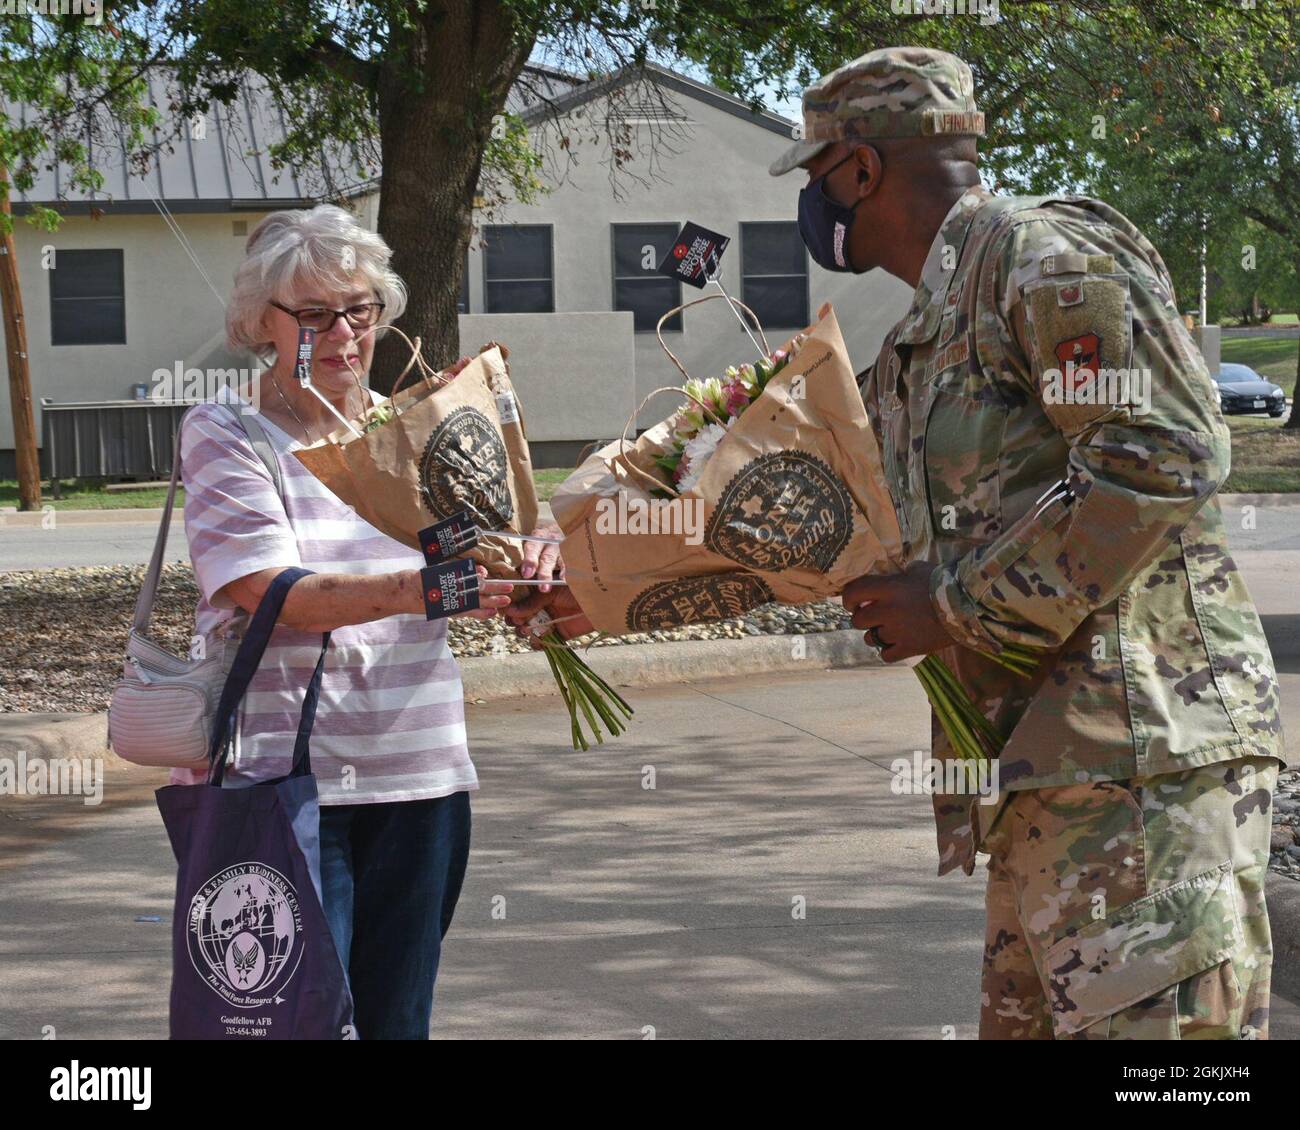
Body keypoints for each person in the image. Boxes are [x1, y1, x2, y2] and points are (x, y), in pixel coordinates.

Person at [515, 47, 1287, 1040]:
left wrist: (957, 604)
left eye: (816, 174)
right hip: (1041, 769)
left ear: (861, 169)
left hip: (1141, 761)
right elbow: (820, 531)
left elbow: (1161, 452)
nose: (812, 202)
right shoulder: (925, 341)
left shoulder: (1040, 256)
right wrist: (594, 588)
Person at [175, 204, 532, 1039]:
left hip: (423, 781)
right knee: (289, 1026)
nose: (342, 333)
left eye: (360, 309)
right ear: (259, 323)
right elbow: (276, 592)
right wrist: (430, 588)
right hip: (288, 791)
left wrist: (532, 584)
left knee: (396, 1024)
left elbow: (491, 551)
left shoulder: (414, 431)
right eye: (313, 314)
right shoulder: (228, 433)